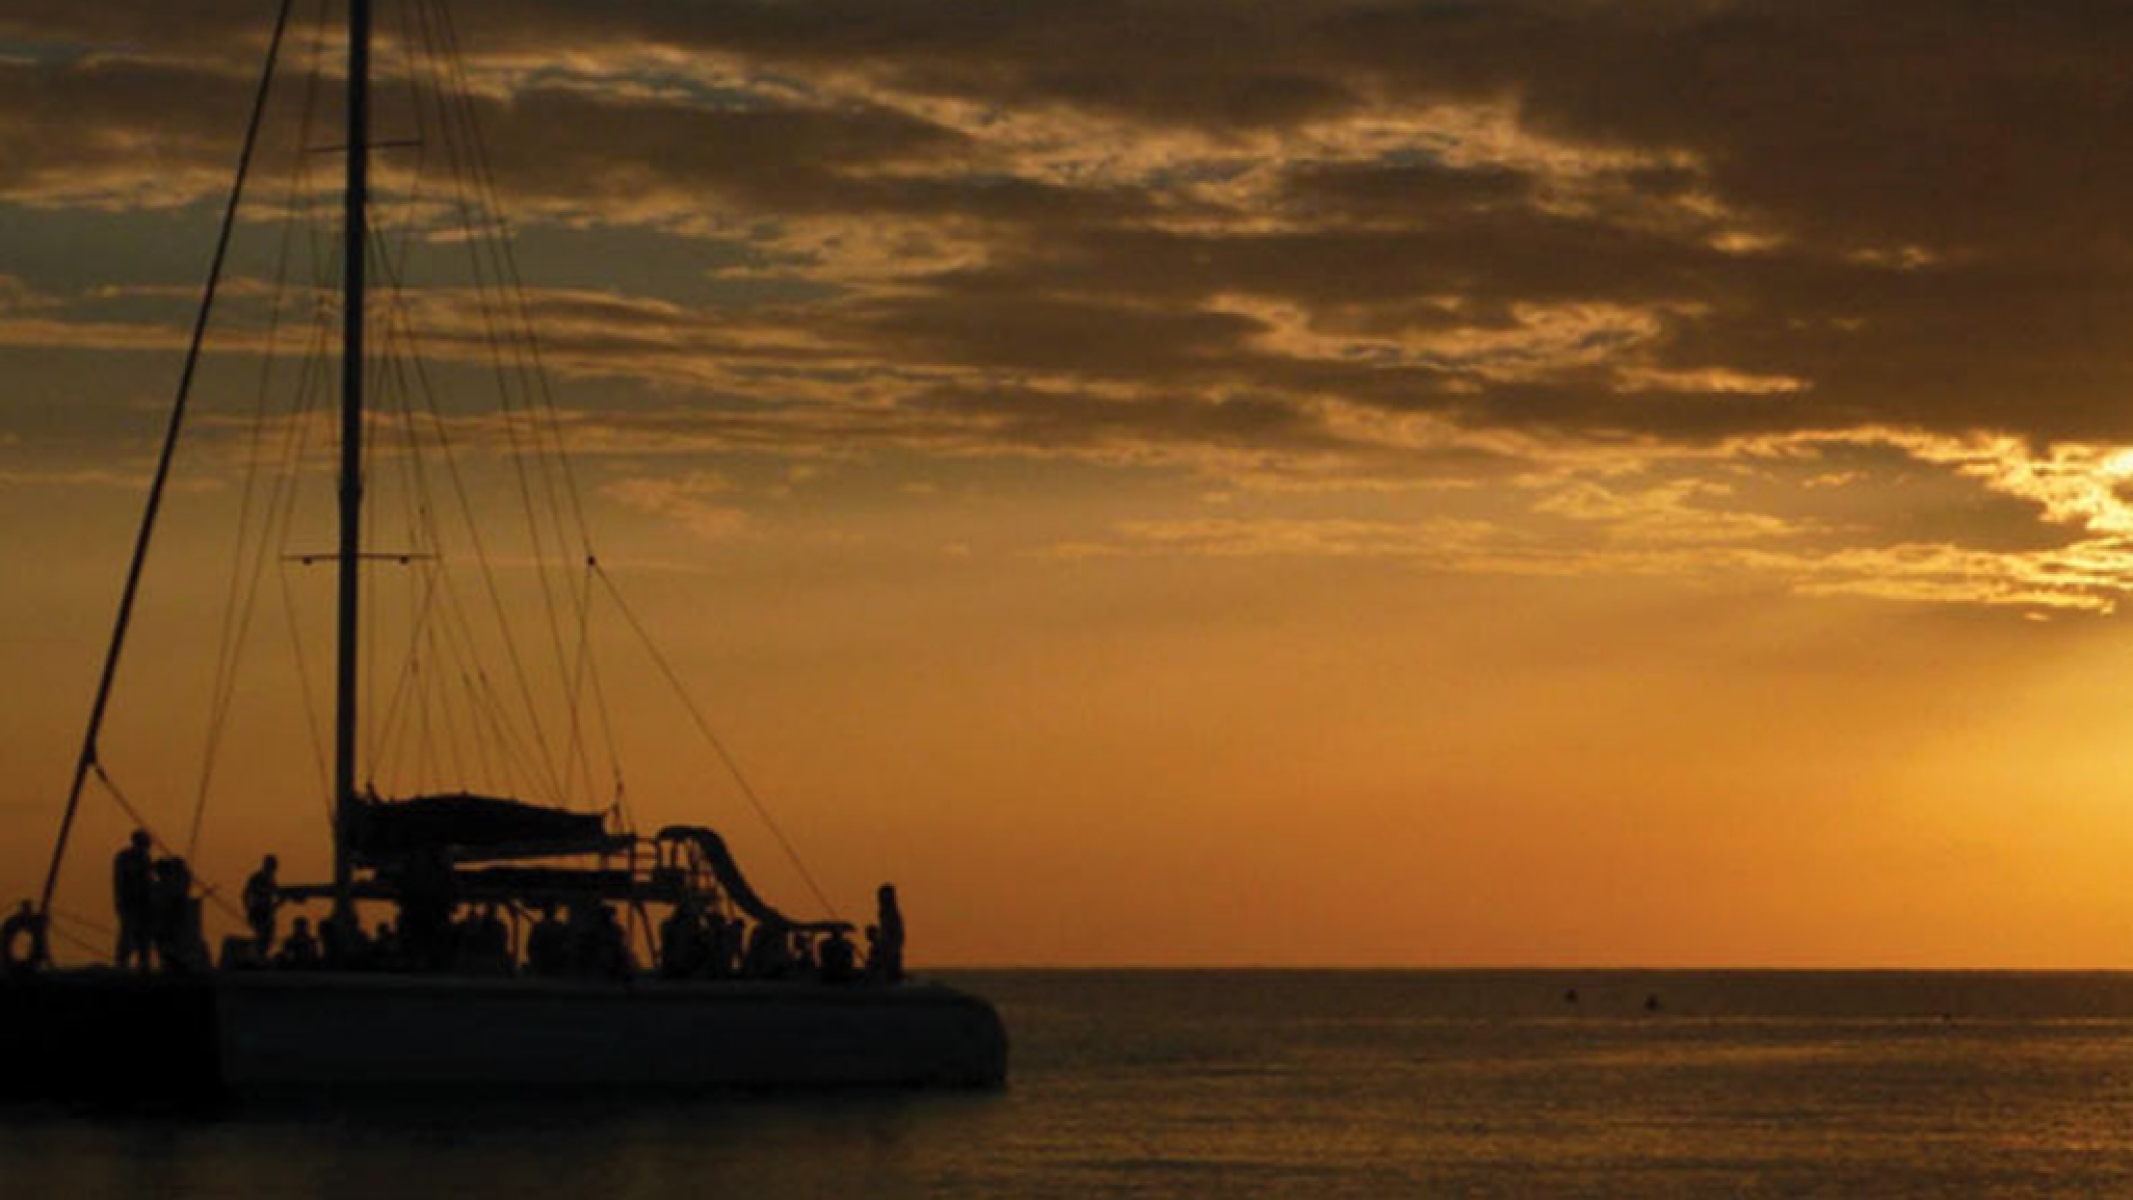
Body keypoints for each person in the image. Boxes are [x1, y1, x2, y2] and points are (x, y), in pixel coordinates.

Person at [112, 831, 154, 973]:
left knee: (142, 936)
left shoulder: (144, 857)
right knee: (129, 934)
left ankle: (142, 964)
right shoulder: (125, 858)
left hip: (141, 904)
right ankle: (123, 963)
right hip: (130, 903)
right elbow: (120, 881)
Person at [242, 854, 280, 958]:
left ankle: (260, 956)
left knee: (268, 938)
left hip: (267, 913)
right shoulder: (256, 878)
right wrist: (249, 908)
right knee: (261, 936)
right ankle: (254, 956)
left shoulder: (271, 879)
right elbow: (246, 894)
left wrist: (275, 906)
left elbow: (277, 894)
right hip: (258, 913)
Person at [875, 883, 905, 983]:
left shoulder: (892, 915)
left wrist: (890, 950)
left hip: (891, 954)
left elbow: (897, 936)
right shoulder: (884, 914)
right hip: (885, 952)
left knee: (891, 977)